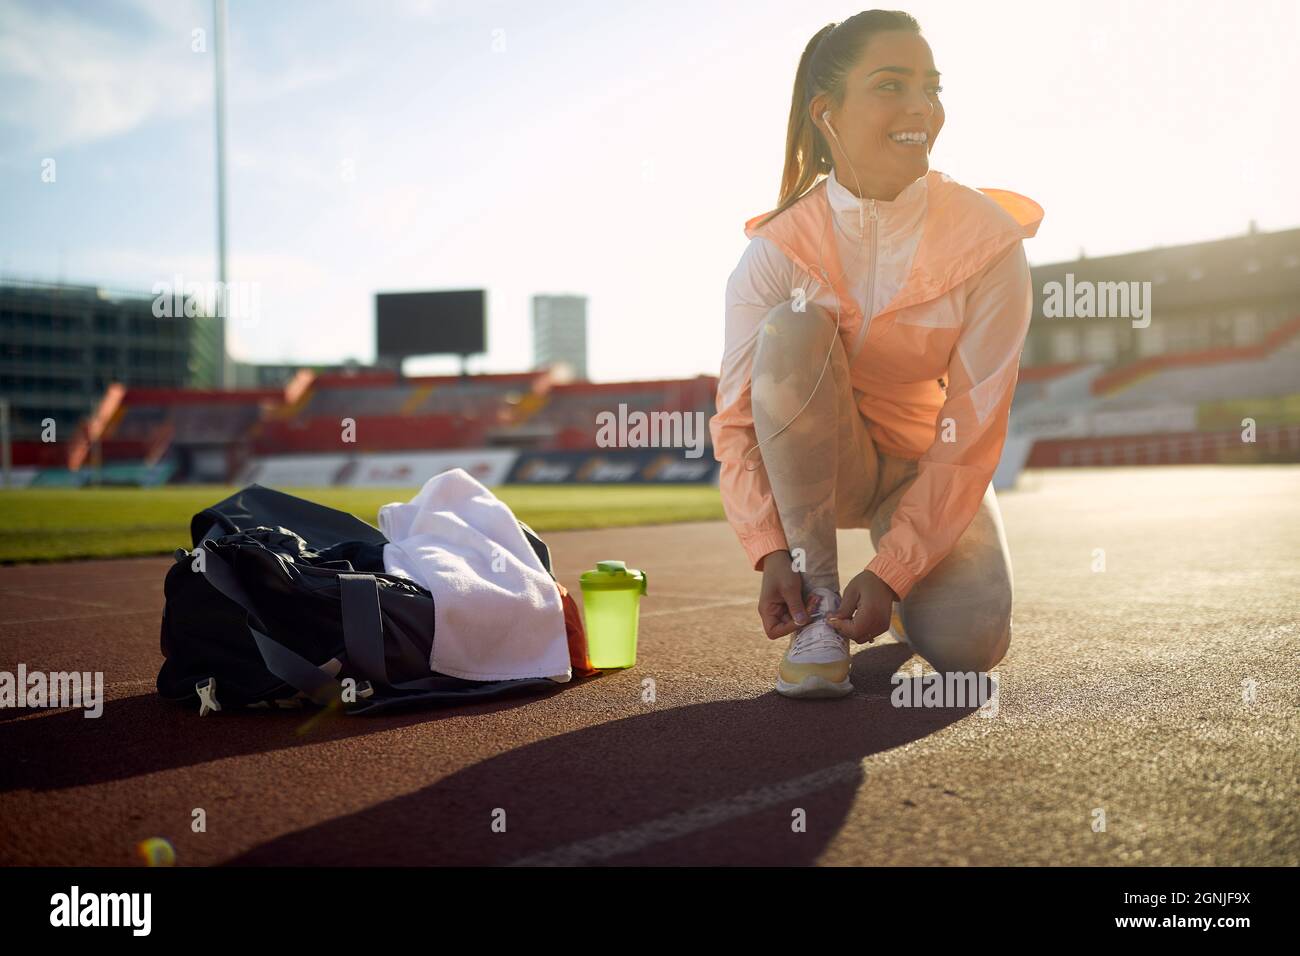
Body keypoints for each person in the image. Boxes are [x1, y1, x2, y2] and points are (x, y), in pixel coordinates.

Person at [708, 10, 1044, 699]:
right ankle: (821, 613)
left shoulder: (989, 243)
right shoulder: (777, 252)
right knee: (792, 329)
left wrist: (894, 571)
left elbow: (973, 433)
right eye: (891, 85)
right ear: (827, 112)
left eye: (932, 86)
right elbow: (737, 420)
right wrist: (771, 550)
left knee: (966, 649)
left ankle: (903, 602)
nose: (922, 107)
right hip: (833, 468)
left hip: (927, 469)